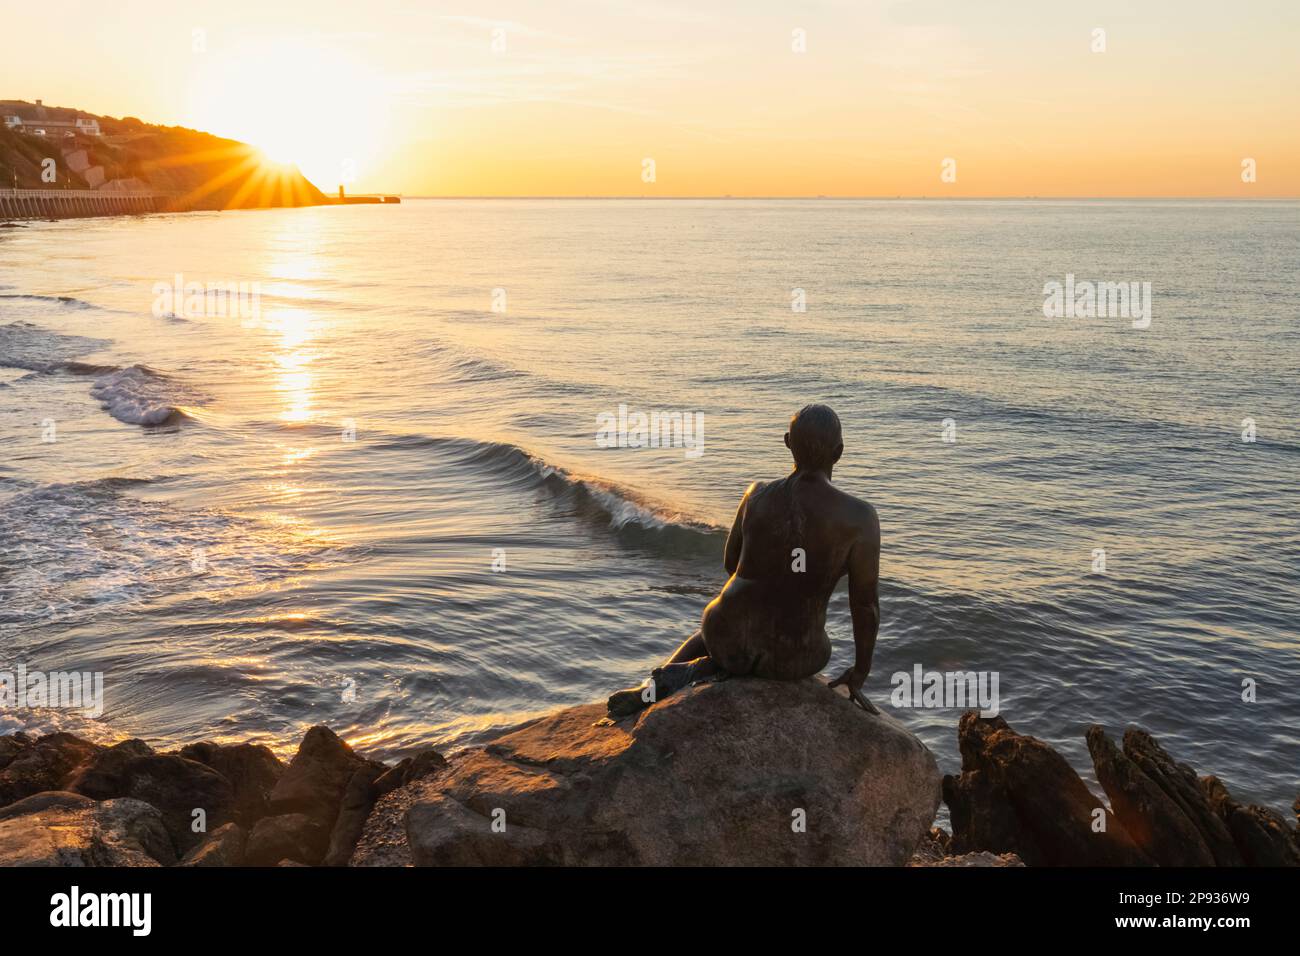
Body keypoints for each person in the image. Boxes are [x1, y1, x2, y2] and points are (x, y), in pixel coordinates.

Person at [607, 404, 881, 718]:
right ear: (840, 452)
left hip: (724, 631)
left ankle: (653, 687)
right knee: (788, 638)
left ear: (787, 443)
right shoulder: (860, 517)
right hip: (795, 654)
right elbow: (865, 604)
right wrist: (860, 671)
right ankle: (705, 668)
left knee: (709, 635)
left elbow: (731, 563)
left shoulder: (756, 494)